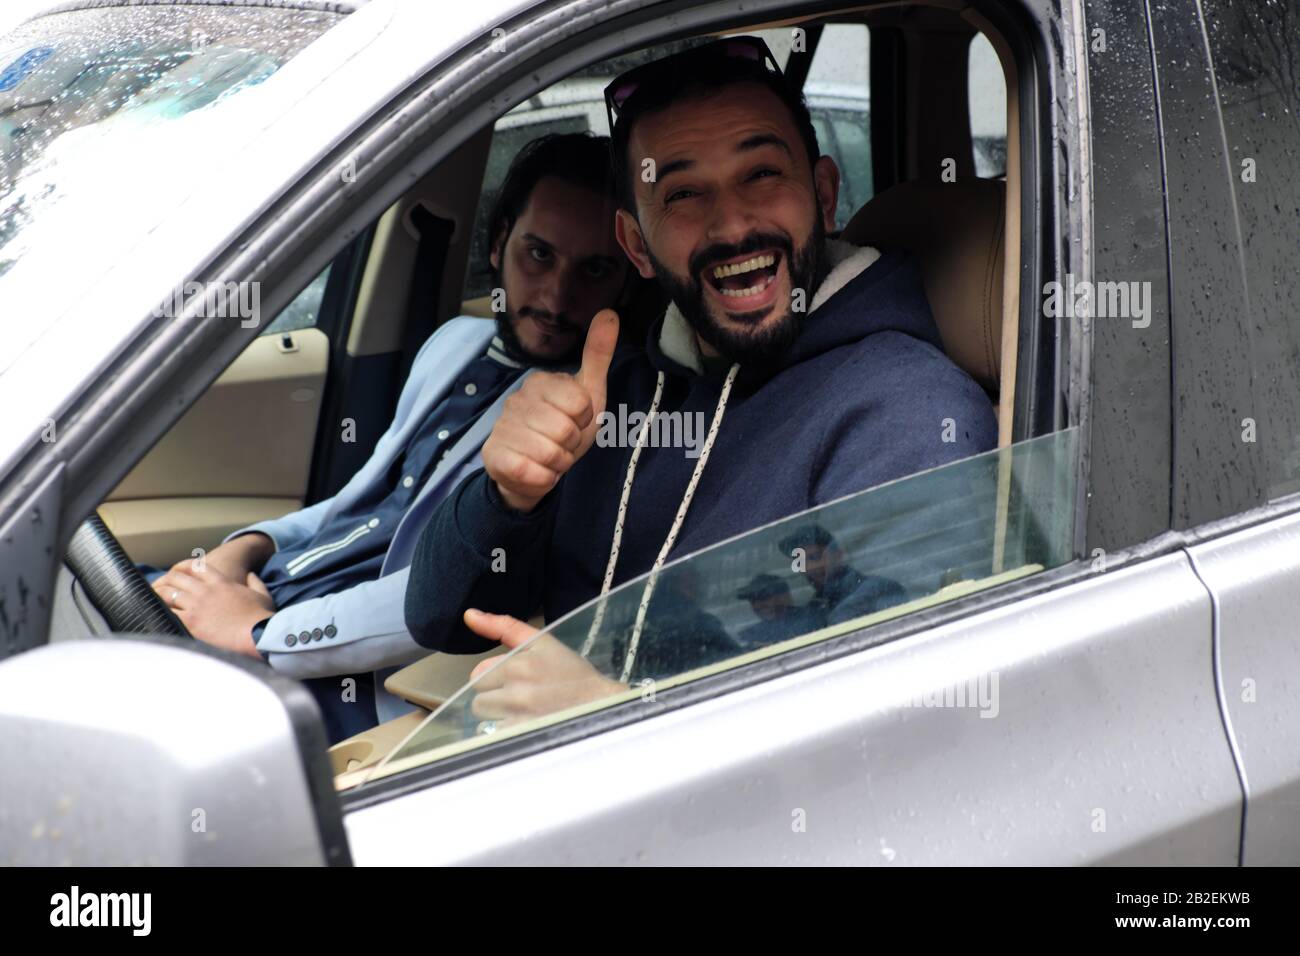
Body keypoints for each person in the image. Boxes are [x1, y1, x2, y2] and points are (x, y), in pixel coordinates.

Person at [404, 37, 998, 729]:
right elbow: (441, 620)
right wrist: (508, 496)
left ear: (826, 196)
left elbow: (908, 733)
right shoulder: (616, 390)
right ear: (636, 246)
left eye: (763, 175)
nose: (733, 224)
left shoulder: (908, 417)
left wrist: (613, 716)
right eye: (683, 192)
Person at [148, 133, 633, 741]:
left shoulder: (588, 419)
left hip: (353, 677)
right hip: (274, 594)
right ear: (499, 240)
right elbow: (360, 501)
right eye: (538, 254)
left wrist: (260, 635)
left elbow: (445, 599)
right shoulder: (453, 342)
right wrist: (236, 554)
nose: (557, 296)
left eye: (594, 270)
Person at [778, 525, 907, 625]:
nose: (809, 568)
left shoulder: (880, 590)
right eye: (801, 562)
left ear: (838, 555)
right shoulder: (812, 610)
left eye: (815, 557)